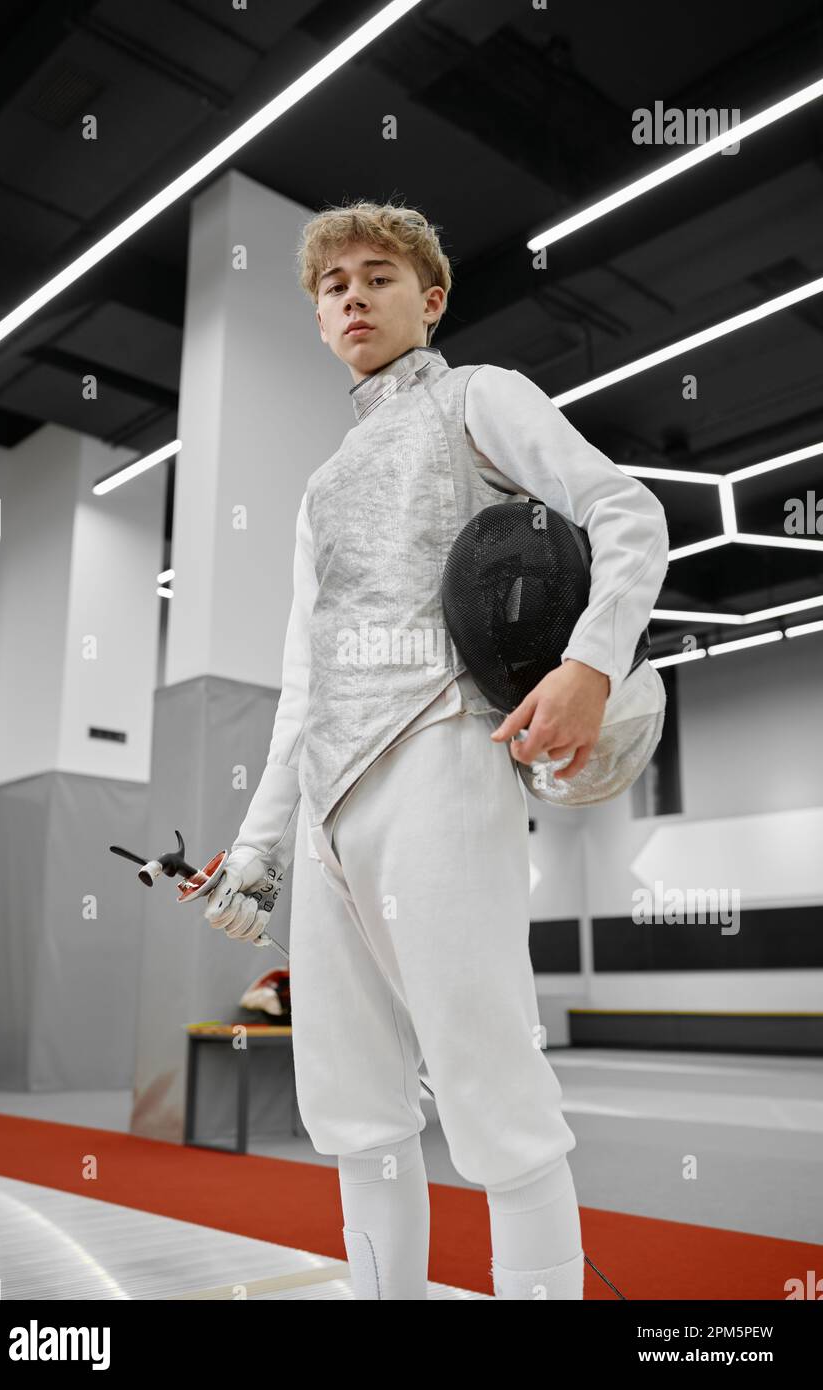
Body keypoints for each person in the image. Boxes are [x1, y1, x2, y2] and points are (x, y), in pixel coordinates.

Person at [203, 200, 669, 1300]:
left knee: (493, 1098)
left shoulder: (478, 396)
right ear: (318, 316)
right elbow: (303, 688)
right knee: (356, 1114)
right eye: (334, 286)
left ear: (431, 296)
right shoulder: (318, 490)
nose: (354, 296)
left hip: (443, 759)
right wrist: (258, 848)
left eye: (378, 276)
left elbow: (627, 509)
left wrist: (591, 664)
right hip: (327, 814)